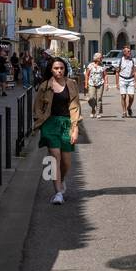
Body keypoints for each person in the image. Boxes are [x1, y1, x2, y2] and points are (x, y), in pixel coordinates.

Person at [34, 57, 81, 204]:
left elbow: (76, 107)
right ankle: (58, 193)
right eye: (56, 68)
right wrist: (41, 123)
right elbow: (37, 107)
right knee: (55, 157)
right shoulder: (44, 86)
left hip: (67, 124)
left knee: (66, 162)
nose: (59, 70)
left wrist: (75, 128)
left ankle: (61, 179)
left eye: (61, 68)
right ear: (51, 70)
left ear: (65, 69)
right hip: (50, 124)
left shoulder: (71, 84)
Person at [117, 45, 136, 117]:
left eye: (130, 51)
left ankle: (129, 107)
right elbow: (117, 72)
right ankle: (124, 112)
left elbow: (135, 71)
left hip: (131, 80)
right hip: (122, 79)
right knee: (123, 96)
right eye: (128, 51)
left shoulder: (133, 60)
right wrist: (117, 83)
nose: (130, 52)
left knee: (131, 96)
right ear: (124, 52)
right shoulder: (120, 60)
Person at [84, 51, 106, 118]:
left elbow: (105, 75)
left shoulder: (102, 66)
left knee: (99, 98)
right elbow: (87, 75)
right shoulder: (90, 65)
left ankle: (98, 112)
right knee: (91, 98)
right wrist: (86, 84)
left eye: (101, 58)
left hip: (100, 83)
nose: (101, 59)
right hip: (91, 83)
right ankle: (93, 109)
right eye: (100, 58)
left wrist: (106, 84)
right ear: (96, 58)